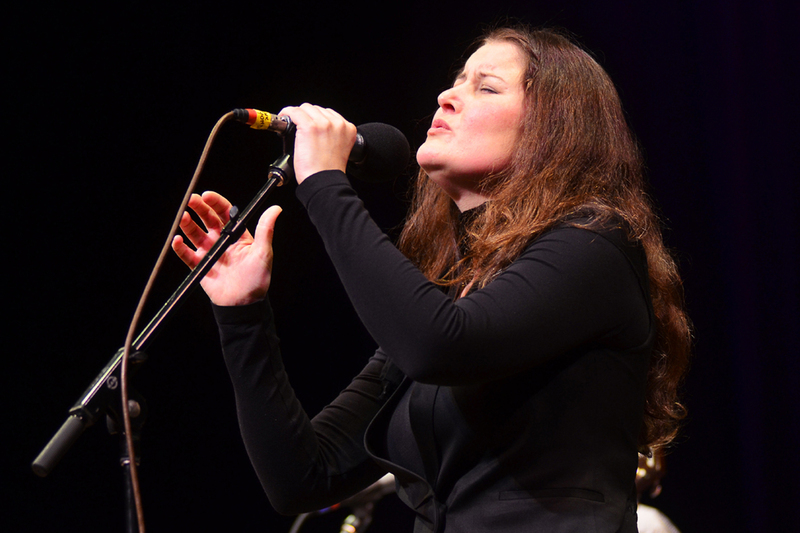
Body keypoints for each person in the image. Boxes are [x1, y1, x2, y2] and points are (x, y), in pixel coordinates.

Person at [172, 25, 691, 533]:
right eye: (456, 80)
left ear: (554, 130)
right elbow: (304, 477)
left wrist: (326, 184)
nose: (446, 96)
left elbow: (441, 344)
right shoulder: (447, 289)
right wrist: (242, 315)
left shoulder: (595, 244)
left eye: (485, 86)